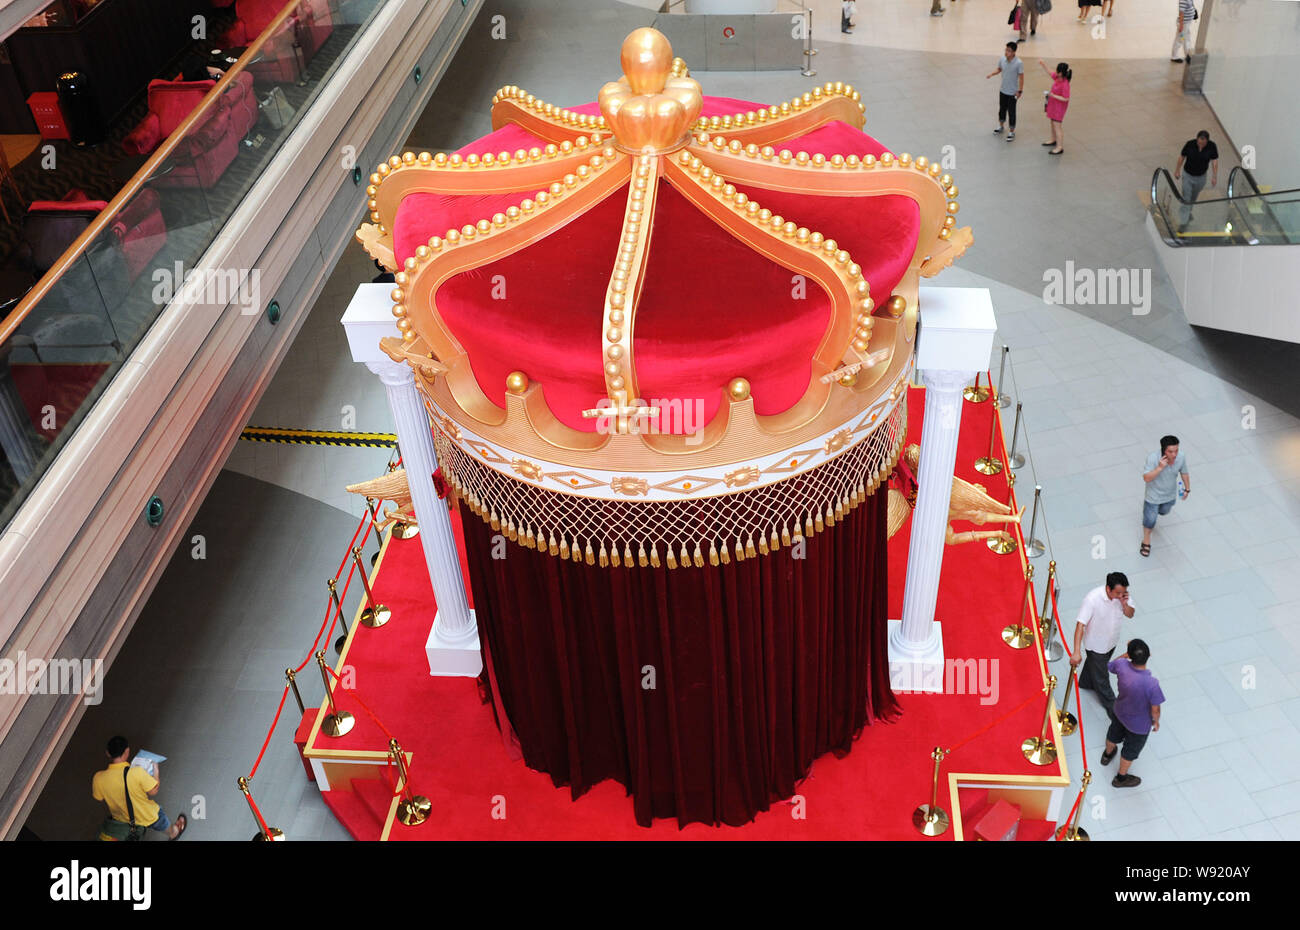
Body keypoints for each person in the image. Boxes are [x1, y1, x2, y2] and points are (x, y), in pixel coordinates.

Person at [92, 735, 186, 840]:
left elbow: (99, 797)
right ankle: (174, 832)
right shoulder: (136, 772)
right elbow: (153, 791)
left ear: (108, 753)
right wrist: (156, 770)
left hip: (122, 818)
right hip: (146, 814)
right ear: (127, 751)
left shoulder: (98, 778)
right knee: (160, 819)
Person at [1069, 571, 1135, 718]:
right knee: (1102, 679)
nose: (1120, 595)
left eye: (1123, 592)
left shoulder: (1123, 595)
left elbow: (1131, 614)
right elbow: (1080, 625)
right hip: (1096, 645)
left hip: (1111, 642)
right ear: (1108, 589)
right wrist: (1076, 651)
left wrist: (1124, 604)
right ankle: (1115, 710)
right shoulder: (1092, 599)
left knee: (1095, 666)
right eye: (1118, 593)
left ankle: (1086, 682)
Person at [1102, 639, 1165, 788]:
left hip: (1119, 712)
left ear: (1129, 656)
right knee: (1130, 750)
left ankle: (1107, 755)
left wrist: (1126, 654)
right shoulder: (1151, 683)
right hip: (1138, 725)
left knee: (1113, 734)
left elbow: (1111, 666)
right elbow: (1155, 709)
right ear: (1149, 656)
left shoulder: (1121, 666)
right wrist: (1156, 721)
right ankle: (1121, 778)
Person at [1140, 434, 1189, 556]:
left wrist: (1187, 488)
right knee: (1150, 520)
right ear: (1163, 450)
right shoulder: (1152, 458)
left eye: (1176, 450)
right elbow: (1146, 478)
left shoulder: (1181, 457)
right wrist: (1160, 468)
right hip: (1153, 496)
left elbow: (1184, 472)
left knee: (1164, 511)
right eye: (1170, 451)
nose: (1174, 455)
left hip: (1169, 495)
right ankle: (1146, 541)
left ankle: (1155, 513)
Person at [1173, 131, 1218, 226]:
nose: (1201, 145)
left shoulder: (1212, 146)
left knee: (1193, 198)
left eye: (1204, 143)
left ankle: (1188, 212)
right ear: (1197, 139)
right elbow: (1182, 157)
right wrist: (1177, 170)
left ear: (1207, 141)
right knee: (1186, 197)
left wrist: (1214, 176)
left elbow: (1214, 161)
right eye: (1199, 142)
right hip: (1188, 175)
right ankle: (1183, 221)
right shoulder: (1190, 144)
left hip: (1201, 178)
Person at [987, 42, 1024, 141]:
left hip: (1013, 93)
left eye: (1009, 51)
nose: (1006, 52)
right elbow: (999, 69)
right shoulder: (1002, 59)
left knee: (1012, 112)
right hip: (1003, 90)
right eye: (1006, 50)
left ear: (1014, 52)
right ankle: (1001, 126)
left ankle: (1011, 131)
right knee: (1002, 109)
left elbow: (1021, 78)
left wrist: (1020, 91)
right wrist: (992, 74)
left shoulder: (1019, 63)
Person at [1038, 60, 1071, 154]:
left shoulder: (1065, 84)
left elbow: (1066, 98)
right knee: (1052, 123)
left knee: (1057, 126)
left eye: (1057, 71)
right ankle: (1053, 139)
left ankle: (1059, 147)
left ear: (1061, 73)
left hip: (1059, 108)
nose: (1055, 72)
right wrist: (1043, 64)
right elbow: (1050, 72)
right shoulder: (1057, 78)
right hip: (1053, 105)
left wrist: (1053, 95)